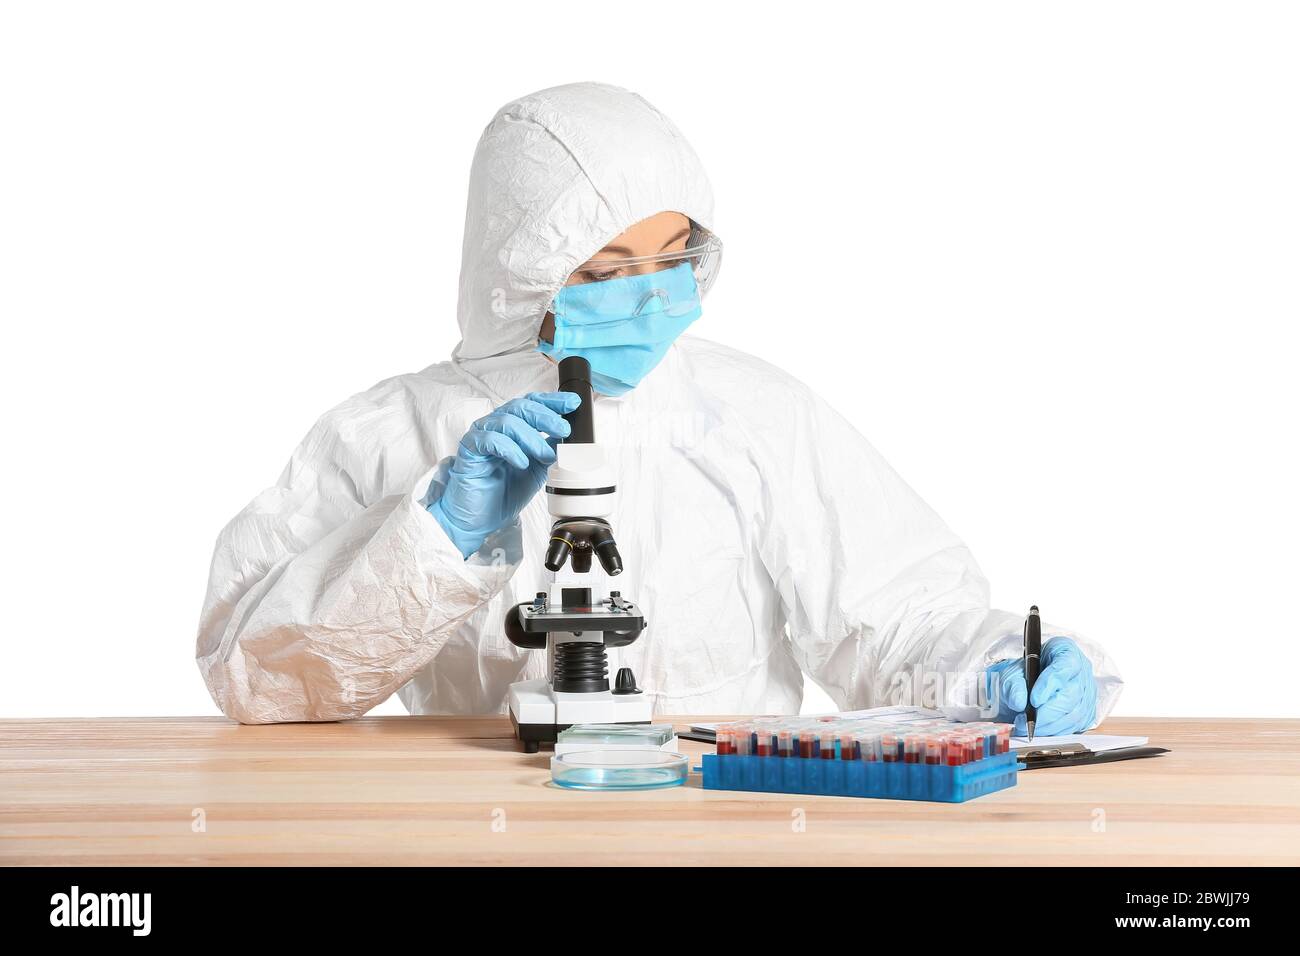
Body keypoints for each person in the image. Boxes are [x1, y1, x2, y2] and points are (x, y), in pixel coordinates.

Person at [197, 82, 1122, 731]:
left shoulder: (754, 414)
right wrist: (433, 536)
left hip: (723, 827)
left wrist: (995, 670)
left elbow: (893, 615)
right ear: (520, 275)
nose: (650, 298)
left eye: (674, 257)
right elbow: (259, 684)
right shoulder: (388, 435)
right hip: (480, 833)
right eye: (607, 269)